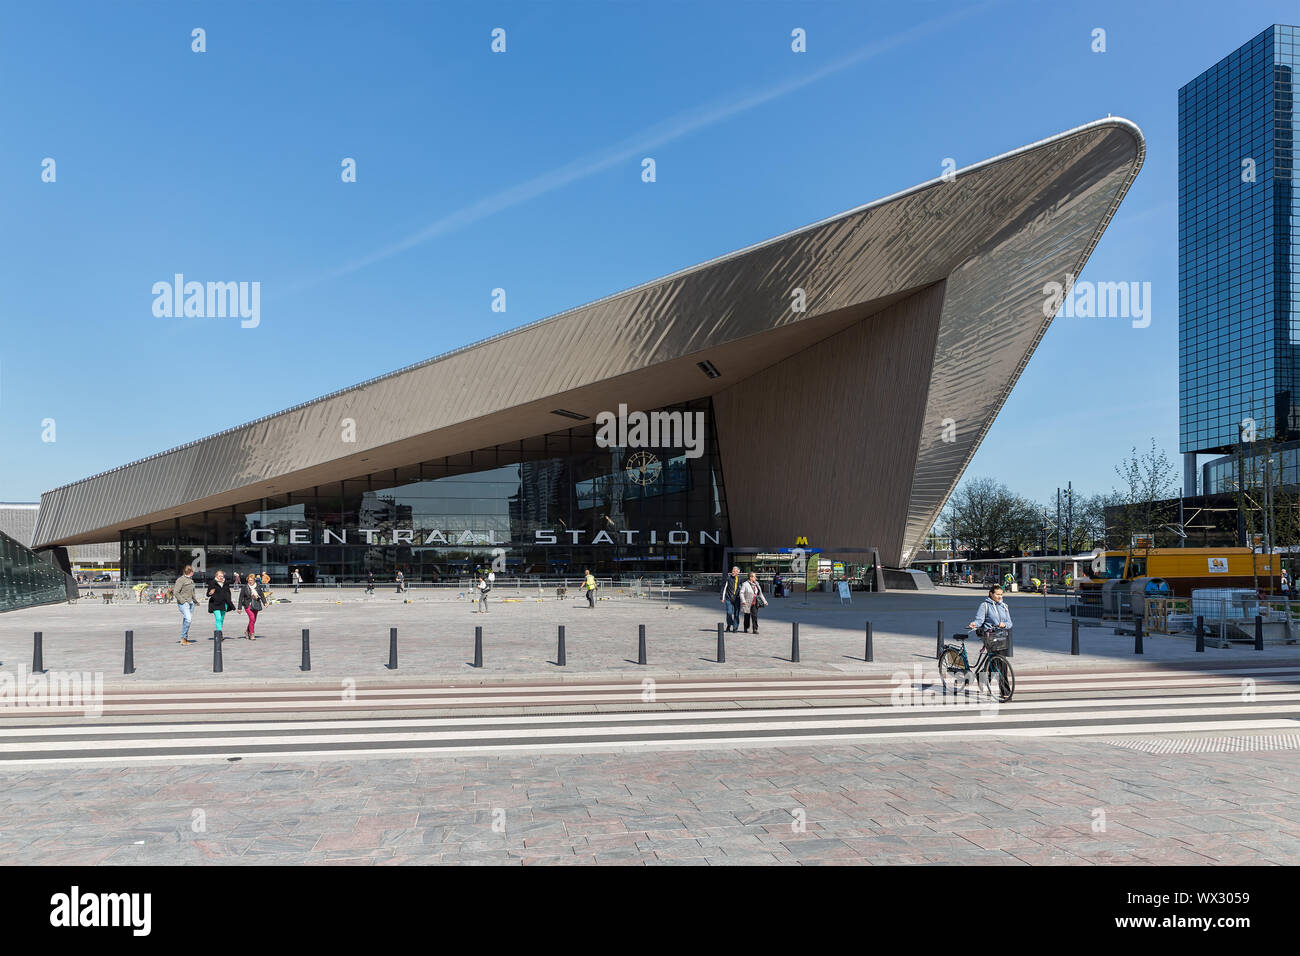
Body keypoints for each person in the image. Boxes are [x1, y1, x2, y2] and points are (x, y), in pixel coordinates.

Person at [206, 570, 234, 637]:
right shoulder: (213, 583)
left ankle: (219, 631)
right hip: (215, 604)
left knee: (221, 619)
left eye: (222, 576)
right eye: (219, 576)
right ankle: (219, 634)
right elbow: (207, 594)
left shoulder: (226, 583)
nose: (221, 577)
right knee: (218, 618)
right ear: (216, 576)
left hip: (224, 604)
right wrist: (210, 593)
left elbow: (231, 583)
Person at [175, 565, 197, 645]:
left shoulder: (190, 580)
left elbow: (192, 592)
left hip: (191, 603)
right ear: (191, 572)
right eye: (193, 571)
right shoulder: (180, 580)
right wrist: (183, 601)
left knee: (187, 620)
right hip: (184, 603)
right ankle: (183, 638)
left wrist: (194, 601)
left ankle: (184, 638)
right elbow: (176, 592)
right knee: (188, 619)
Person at [238, 572, 263, 640]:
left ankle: (247, 631)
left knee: (253, 620)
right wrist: (239, 608)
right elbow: (240, 598)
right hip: (247, 605)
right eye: (249, 580)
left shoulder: (258, 586)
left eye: (251, 580)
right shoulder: (245, 587)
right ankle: (252, 633)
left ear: (254, 580)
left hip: (256, 605)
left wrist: (265, 602)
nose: (250, 581)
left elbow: (262, 595)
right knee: (252, 618)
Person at [721, 567, 742, 631]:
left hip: (737, 599)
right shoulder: (728, 578)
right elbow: (724, 588)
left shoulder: (740, 579)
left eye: (735, 571)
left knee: (736, 613)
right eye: (733, 571)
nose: (733, 572)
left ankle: (735, 628)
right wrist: (722, 597)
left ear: (738, 572)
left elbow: (743, 589)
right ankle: (729, 624)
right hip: (728, 598)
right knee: (729, 612)